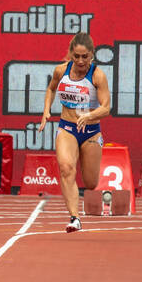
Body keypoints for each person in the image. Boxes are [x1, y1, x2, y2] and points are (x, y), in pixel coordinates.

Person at [40, 33, 111, 233]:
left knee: (90, 183)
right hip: (67, 128)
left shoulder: (98, 76)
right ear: (71, 54)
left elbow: (106, 107)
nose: (80, 61)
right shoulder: (60, 71)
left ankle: (78, 209)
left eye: (85, 57)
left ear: (92, 55)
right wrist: (47, 109)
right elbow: (51, 89)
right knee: (66, 168)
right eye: (76, 56)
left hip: (90, 132)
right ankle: (75, 218)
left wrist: (90, 116)